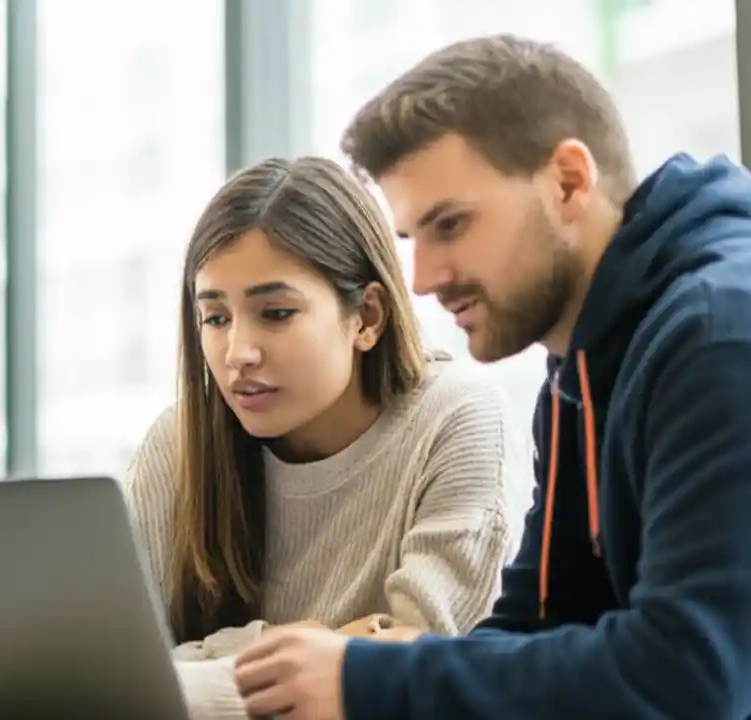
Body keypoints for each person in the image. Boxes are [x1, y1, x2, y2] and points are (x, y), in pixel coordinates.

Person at [233, 34, 751, 720]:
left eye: (451, 224)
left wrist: (370, 683)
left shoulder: (716, 337)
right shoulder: (578, 372)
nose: (423, 280)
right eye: (415, 239)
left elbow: (692, 677)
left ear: (568, 182)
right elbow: (539, 621)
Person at [125, 157, 529, 718]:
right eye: (214, 319)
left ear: (366, 316)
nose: (238, 352)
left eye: (276, 313)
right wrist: (309, 640)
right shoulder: (179, 443)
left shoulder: (456, 418)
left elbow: (403, 682)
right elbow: (111, 679)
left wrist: (199, 672)